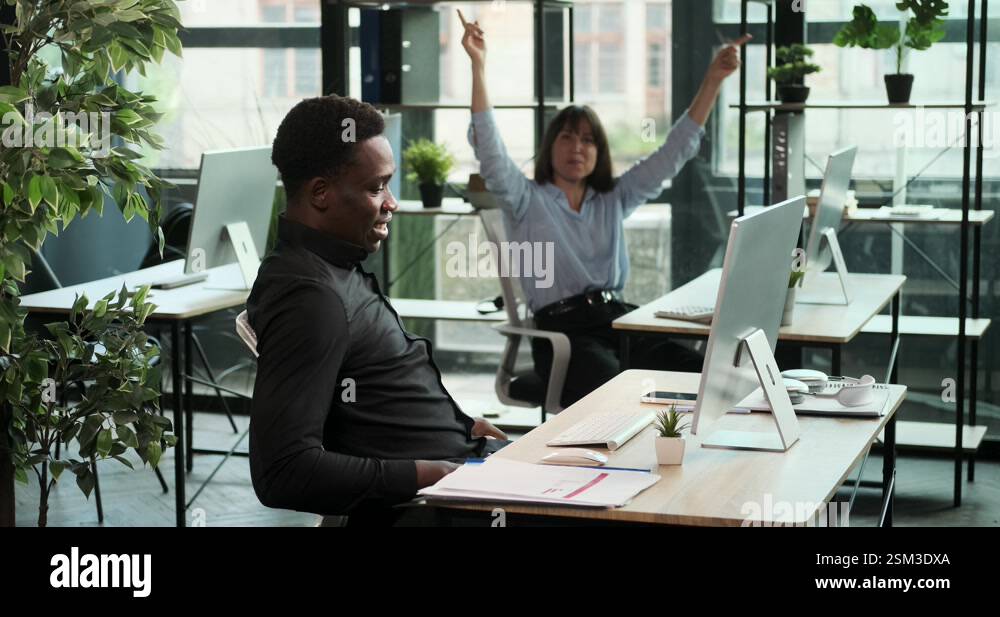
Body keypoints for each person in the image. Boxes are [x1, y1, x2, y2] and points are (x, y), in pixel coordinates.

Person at [461, 11, 750, 406]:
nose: (577, 148)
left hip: (619, 321)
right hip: (565, 335)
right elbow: (490, 150)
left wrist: (713, 80)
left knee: (708, 375)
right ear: (551, 146)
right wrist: (478, 67)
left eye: (588, 140)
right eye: (567, 137)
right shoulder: (526, 199)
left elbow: (672, 153)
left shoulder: (614, 197)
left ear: (599, 152)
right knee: (621, 396)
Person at [247, 95, 508, 526]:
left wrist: (460, 425)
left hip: (467, 470)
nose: (392, 202)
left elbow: (371, 404)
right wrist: (430, 473)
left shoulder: (336, 269)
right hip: (443, 505)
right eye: (376, 188)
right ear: (320, 193)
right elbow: (282, 470)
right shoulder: (312, 298)